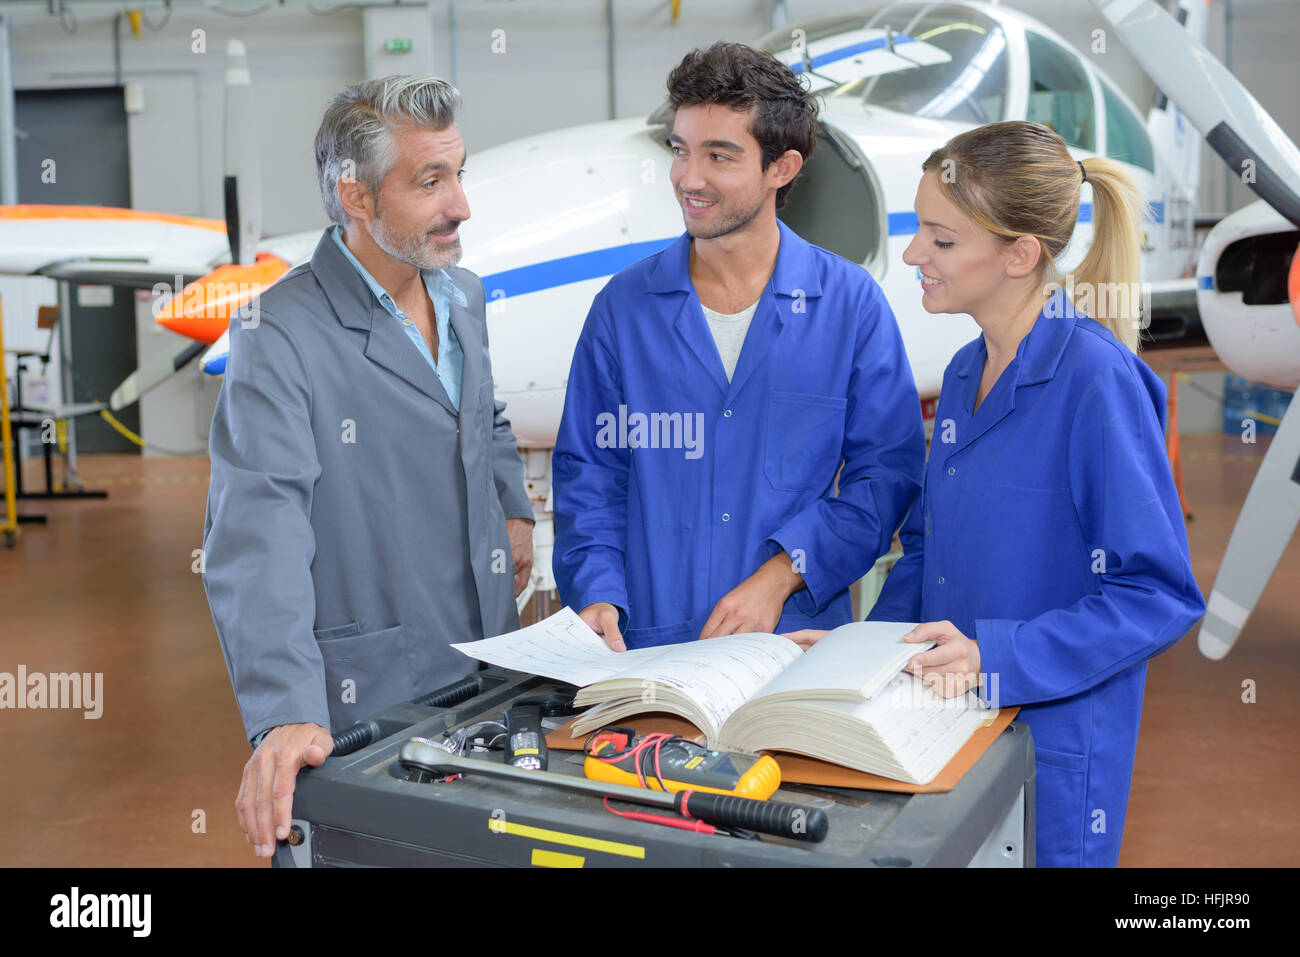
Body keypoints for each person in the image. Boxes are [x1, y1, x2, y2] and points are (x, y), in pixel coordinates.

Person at [786, 121, 1206, 867]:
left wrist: (993, 655)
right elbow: (927, 551)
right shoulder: (960, 374)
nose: (914, 254)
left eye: (942, 241)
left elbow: (1158, 594)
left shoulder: (1096, 384)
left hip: (1050, 755)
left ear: (1021, 254)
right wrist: (863, 655)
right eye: (919, 230)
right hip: (947, 737)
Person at [202, 76, 535, 860]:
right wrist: (284, 711)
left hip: (486, 657)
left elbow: (480, 412)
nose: (461, 204)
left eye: (460, 173)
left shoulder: (462, 295)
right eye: (430, 181)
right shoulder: (279, 334)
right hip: (372, 686)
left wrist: (511, 506)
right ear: (355, 196)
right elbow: (257, 534)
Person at [552, 42, 925, 652]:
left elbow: (885, 477)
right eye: (680, 150)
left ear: (782, 168)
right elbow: (590, 474)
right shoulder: (623, 310)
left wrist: (784, 574)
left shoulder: (851, 307)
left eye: (719, 156)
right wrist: (596, 592)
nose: (687, 178)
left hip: (795, 644)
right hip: (647, 648)